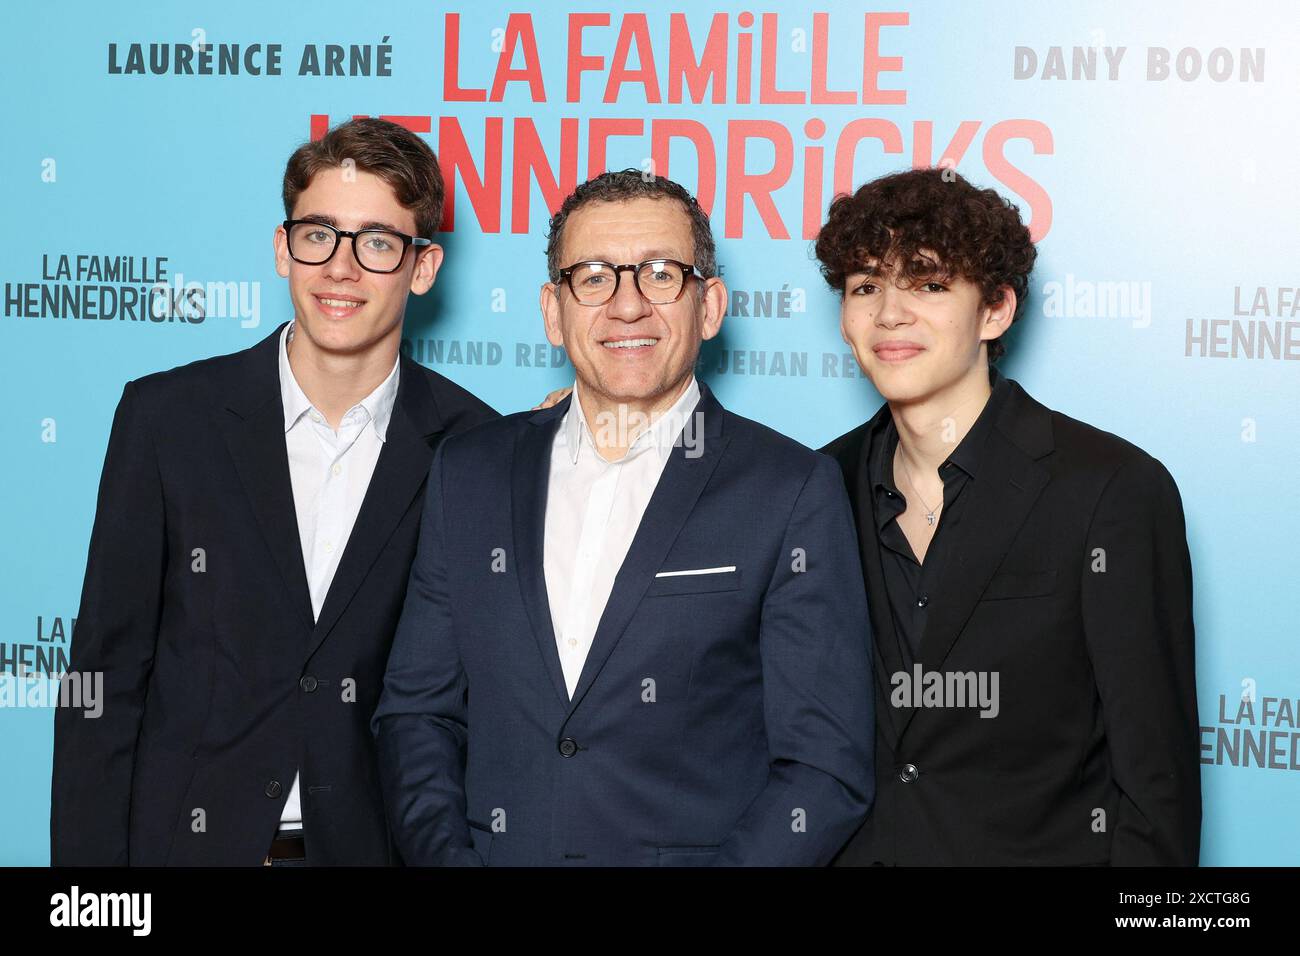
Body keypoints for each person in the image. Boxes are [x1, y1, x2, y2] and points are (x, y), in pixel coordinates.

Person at [372, 170, 874, 866]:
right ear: (554, 310)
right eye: (595, 276)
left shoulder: (789, 489)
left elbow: (824, 769)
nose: (627, 305)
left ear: (710, 305)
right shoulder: (470, 472)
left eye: (661, 274)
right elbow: (416, 712)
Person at [50, 118, 498, 866]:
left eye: (378, 242)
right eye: (318, 234)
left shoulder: (476, 448)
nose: (341, 269)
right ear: (281, 248)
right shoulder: (168, 420)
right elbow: (104, 672)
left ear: (422, 268)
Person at [817, 167, 1200, 865]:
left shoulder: (1111, 490)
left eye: (928, 283)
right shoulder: (817, 486)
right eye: (866, 285)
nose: (889, 313)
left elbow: (1156, 788)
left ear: (995, 309)